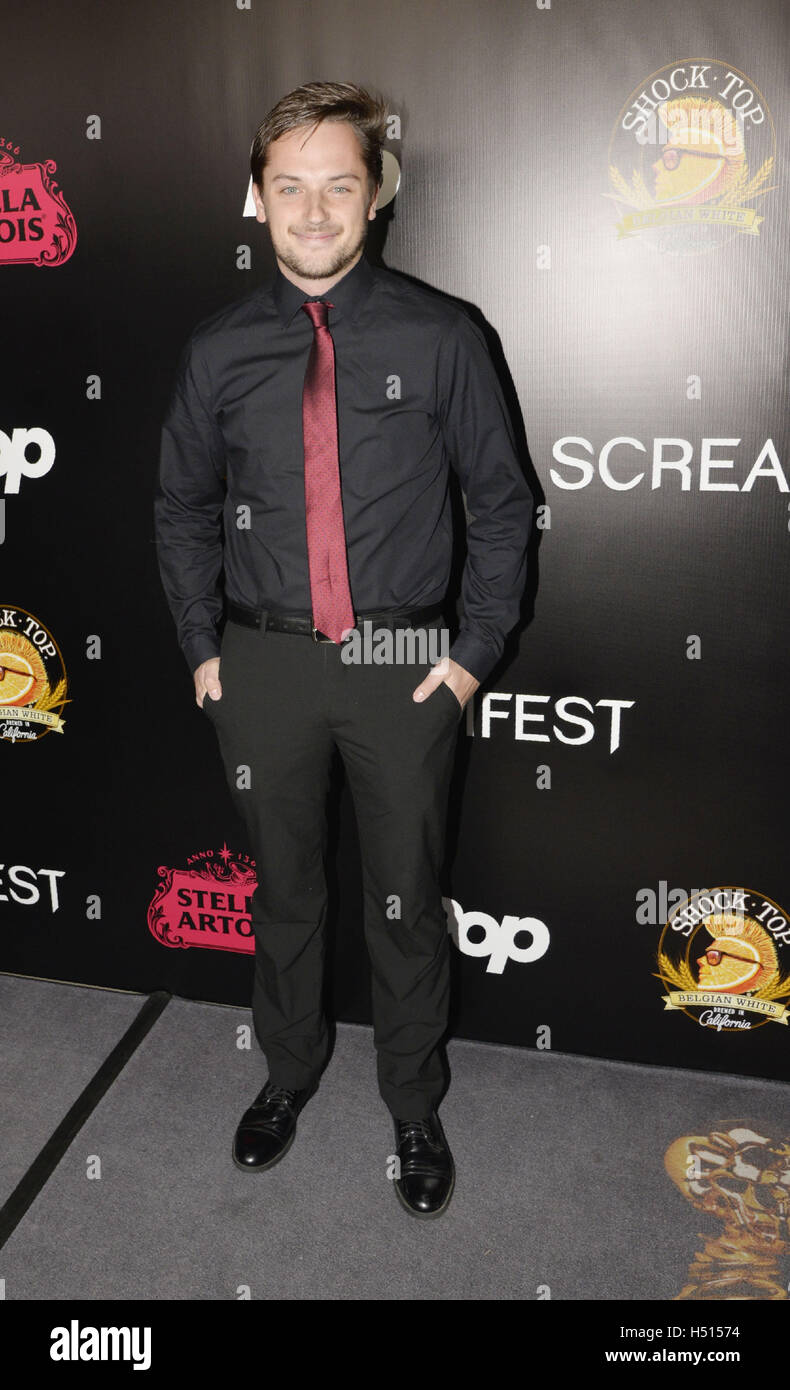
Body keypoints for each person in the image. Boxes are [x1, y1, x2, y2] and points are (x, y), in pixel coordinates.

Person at [154, 81, 532, 1219]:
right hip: (262, 666)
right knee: (285, 892)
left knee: (408, 897)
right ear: (254, 197)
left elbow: (504, 505)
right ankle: (286, 1074)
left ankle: (412, 1102)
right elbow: (178, 507)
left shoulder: (443, 333)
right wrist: (203, 651)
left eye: (339, 185)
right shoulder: (219, 350)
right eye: (289, 186)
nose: (312, 212)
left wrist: (467, 656)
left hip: (398, 665)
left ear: (377, 197)